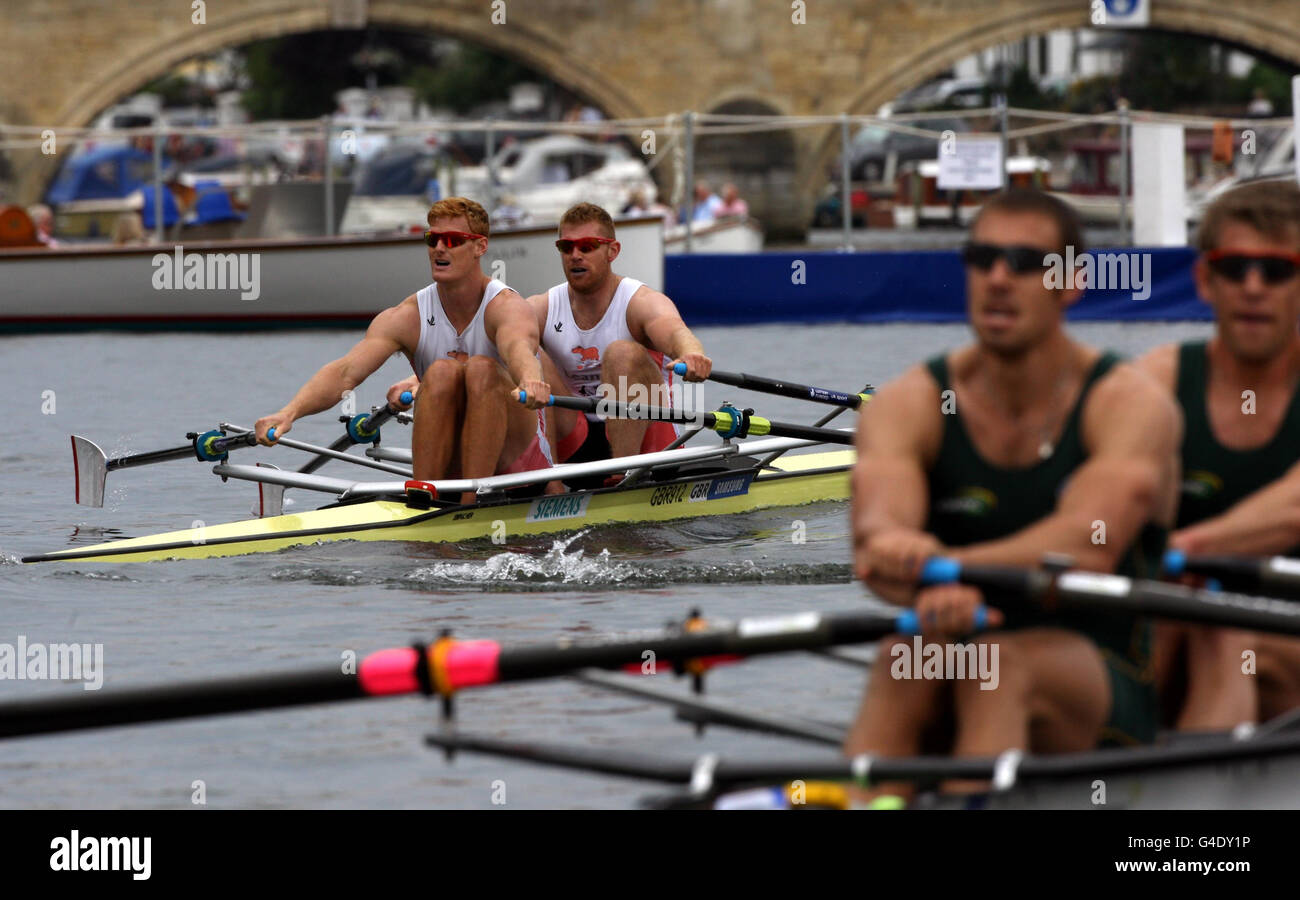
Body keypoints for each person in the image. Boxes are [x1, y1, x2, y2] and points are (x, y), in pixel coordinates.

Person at [842, 188, 1181, 802]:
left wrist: (947, 569)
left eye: (1027, 263)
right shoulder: (906, 405)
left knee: (997, 664)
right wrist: (897, 549)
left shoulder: (1128, 403)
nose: (1000, 278)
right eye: (984, 258)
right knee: (904, 658)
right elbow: (880, 535)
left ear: (1071, 282)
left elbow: (1087, 543)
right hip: (955, 648)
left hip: (1105, 677)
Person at [254, 197, 553, 505]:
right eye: (432, 239)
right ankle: (422, 496)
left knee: (481, 369)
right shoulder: (407, 316)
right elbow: (345, 372)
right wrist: (289, 412)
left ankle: (467, 503)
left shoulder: (505, 307)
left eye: (452, 240)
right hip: (455, 454)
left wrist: (530, 380)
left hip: (515, 457)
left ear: (480, 247)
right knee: (439, 372)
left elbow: (519, 349)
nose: (439, 248)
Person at [1136, 180, 1300, 731]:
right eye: (1234, 269)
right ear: (1206, 280)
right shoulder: (1151, 385)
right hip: (1171, 632)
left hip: (1280, 646)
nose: (1253, 288)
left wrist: (1181, 548)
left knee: (1219, 624)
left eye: (1276, 271)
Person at [527, 202, 711, 474]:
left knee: (621, 353)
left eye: (587, 246)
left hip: (647, 439)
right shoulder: (543, 306)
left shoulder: (640, 301)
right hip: (579, 438)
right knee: (523, 350)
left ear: (612, 251)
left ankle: (620, 475)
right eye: (567, 247)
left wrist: (691, 354)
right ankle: (547, 478)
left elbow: (674, 331)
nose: (575, 255)